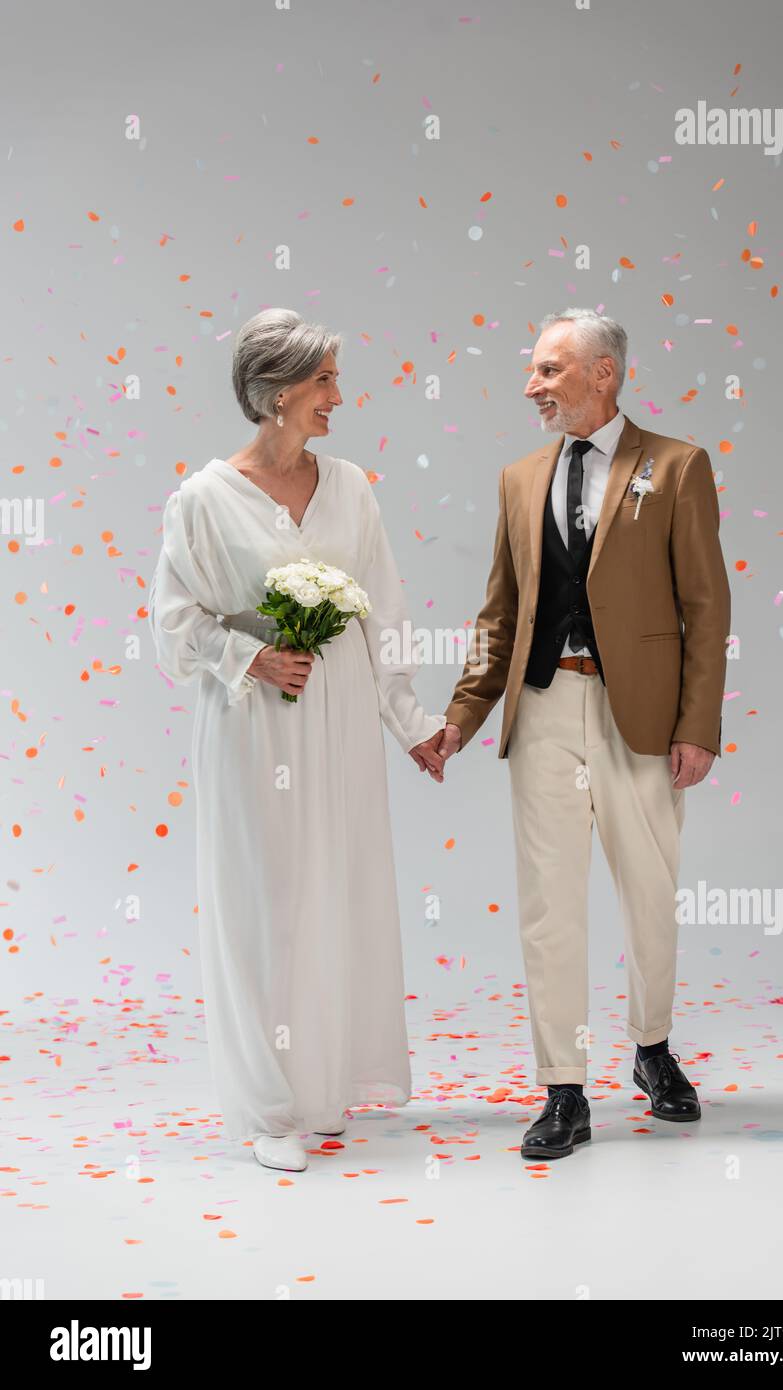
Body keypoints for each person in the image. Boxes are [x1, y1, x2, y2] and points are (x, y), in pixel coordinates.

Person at [414, 308, 731, 1161]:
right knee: (549, 907)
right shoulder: (519, 477)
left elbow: (705, 607)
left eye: (549, 370)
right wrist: (458, 719)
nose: (532, 387)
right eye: (533, 370)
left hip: (643, 718)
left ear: (603, 374)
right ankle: (563, 1091)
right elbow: (500, 613)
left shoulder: (676, 465)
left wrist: (696, 724)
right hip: (545, 708)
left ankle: (652, 1049)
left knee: (649, 896)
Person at [147, 308, 445, 1172]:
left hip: (340, 719)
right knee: (262, 901)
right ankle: (269, 1105)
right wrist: (251, 656)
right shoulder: (202, 500)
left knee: (333, 888)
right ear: (276, 393)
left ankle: (321, 1087)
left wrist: (412, 728)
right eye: (323, 382)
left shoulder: (351, 487)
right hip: (251, 729)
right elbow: (172, 627)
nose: (337, 399)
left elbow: (384, 615)